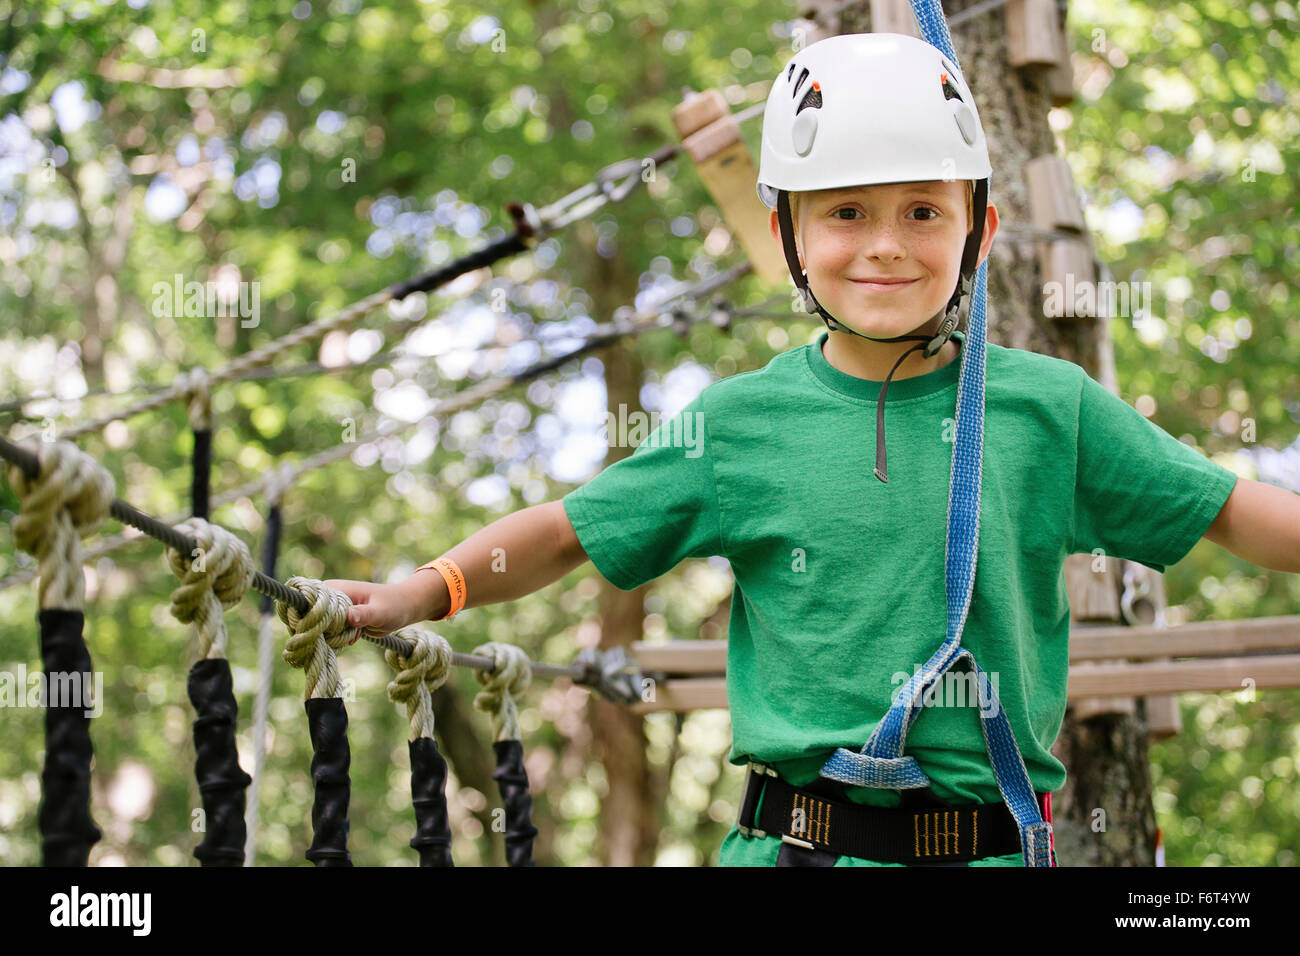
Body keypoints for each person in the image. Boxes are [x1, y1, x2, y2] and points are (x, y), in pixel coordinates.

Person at [325, 33, 1289, 867]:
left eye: (923, 211)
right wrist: (426, 591)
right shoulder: (741, 424)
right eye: (844, 212)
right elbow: (569, 533)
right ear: (786, 231)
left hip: (990, 845)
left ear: (979, 232)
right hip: (794, 848)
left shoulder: (1048, 410)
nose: (885, 245)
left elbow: (1234, 510)